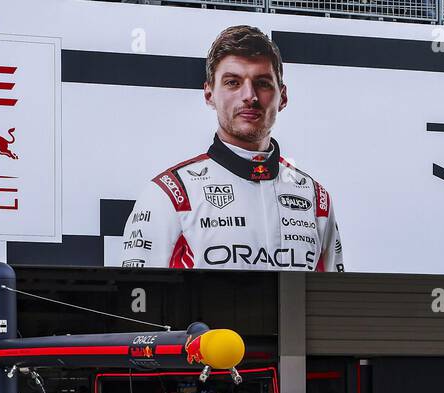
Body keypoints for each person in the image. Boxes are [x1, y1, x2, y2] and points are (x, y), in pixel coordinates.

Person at [119, 24, 343, 272]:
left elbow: (333, 306)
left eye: (263, 83)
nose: (249, 96)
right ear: (209, 95)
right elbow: (136, 304)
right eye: (233, 82)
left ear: (283, 97)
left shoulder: (315, 198)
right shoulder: (168, 195)